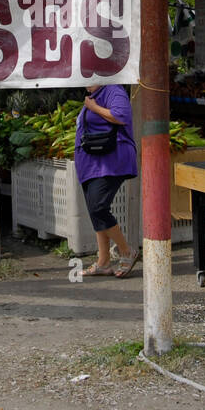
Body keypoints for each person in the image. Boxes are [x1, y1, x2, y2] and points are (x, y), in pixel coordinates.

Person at [75, 83, 140, 278]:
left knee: (98, 207)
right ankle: (103, 262)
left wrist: (93, 108)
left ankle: (126, 251)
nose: (85, 78)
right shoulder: (95, 94)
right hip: (91, 163)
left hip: (110, 161)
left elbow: (121, 116)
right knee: (96, 213)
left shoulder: (113, 90)